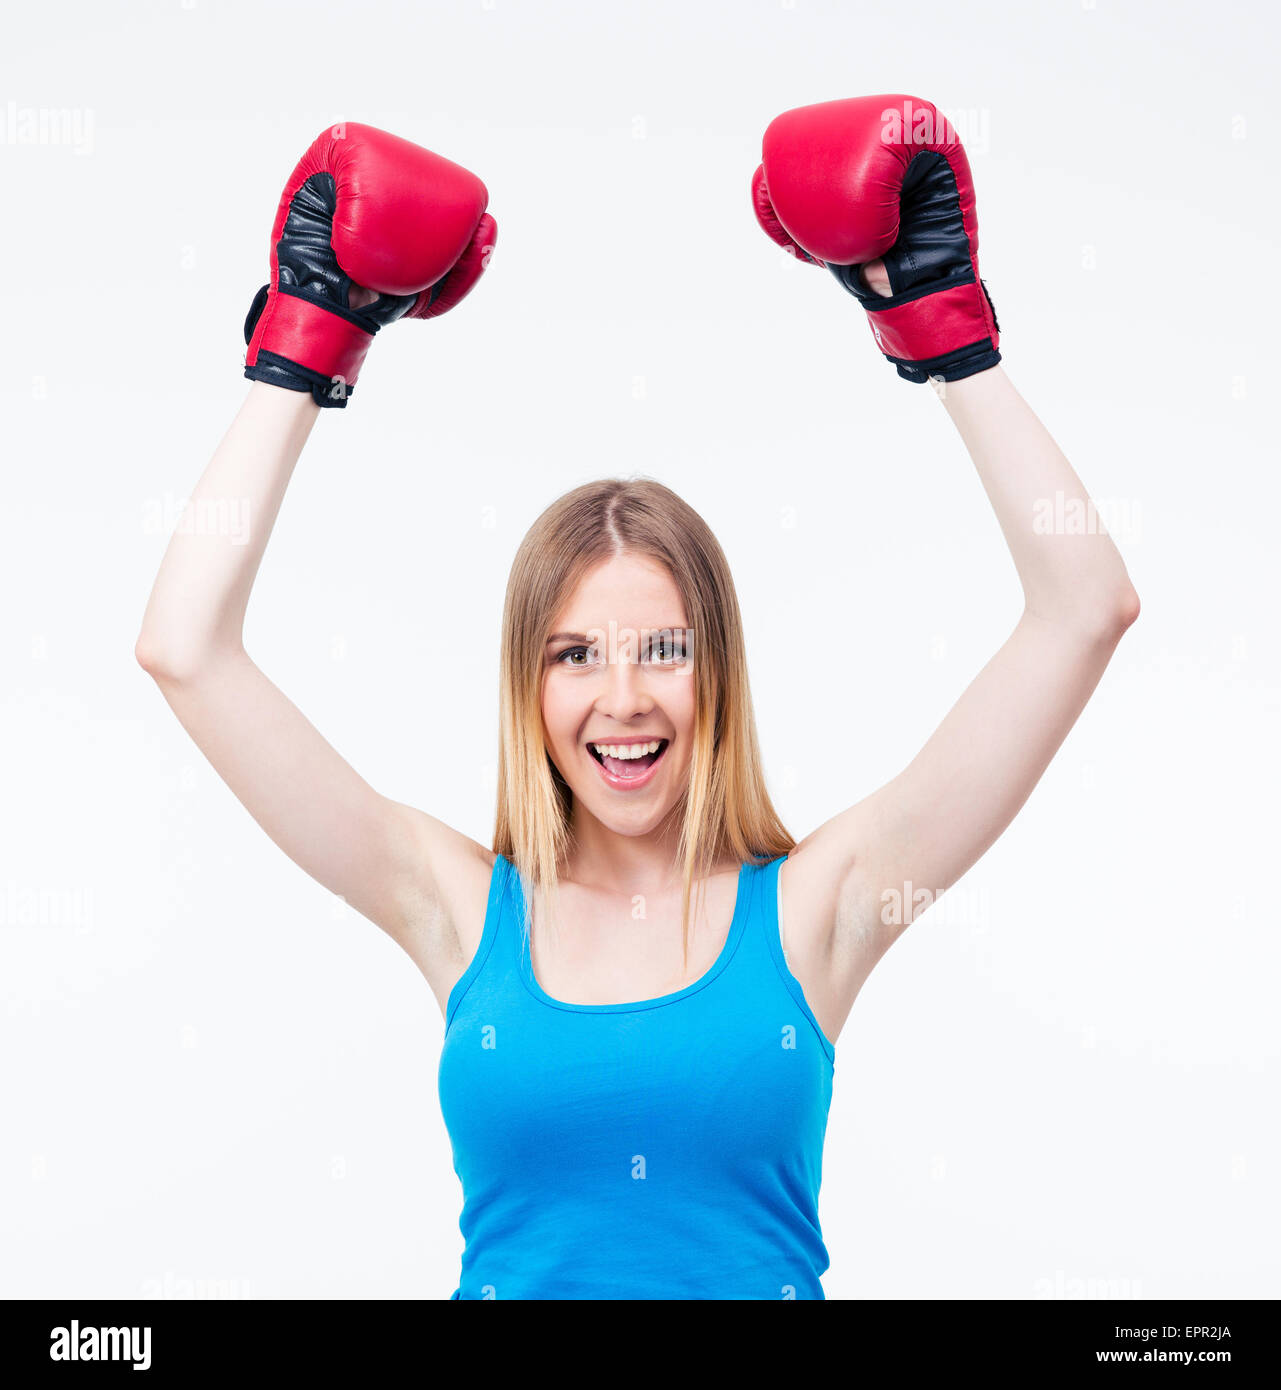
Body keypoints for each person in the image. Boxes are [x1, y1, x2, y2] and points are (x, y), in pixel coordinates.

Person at [136, 99, 1139, 1301]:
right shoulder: (457, 909)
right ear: (527, 684)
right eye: (572, 655)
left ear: (716, 668)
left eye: (663, 646)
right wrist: (305, 348)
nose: (622, 700)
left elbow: (1084, 607)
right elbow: (185, 648)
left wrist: (943, 337)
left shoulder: (820, 909)